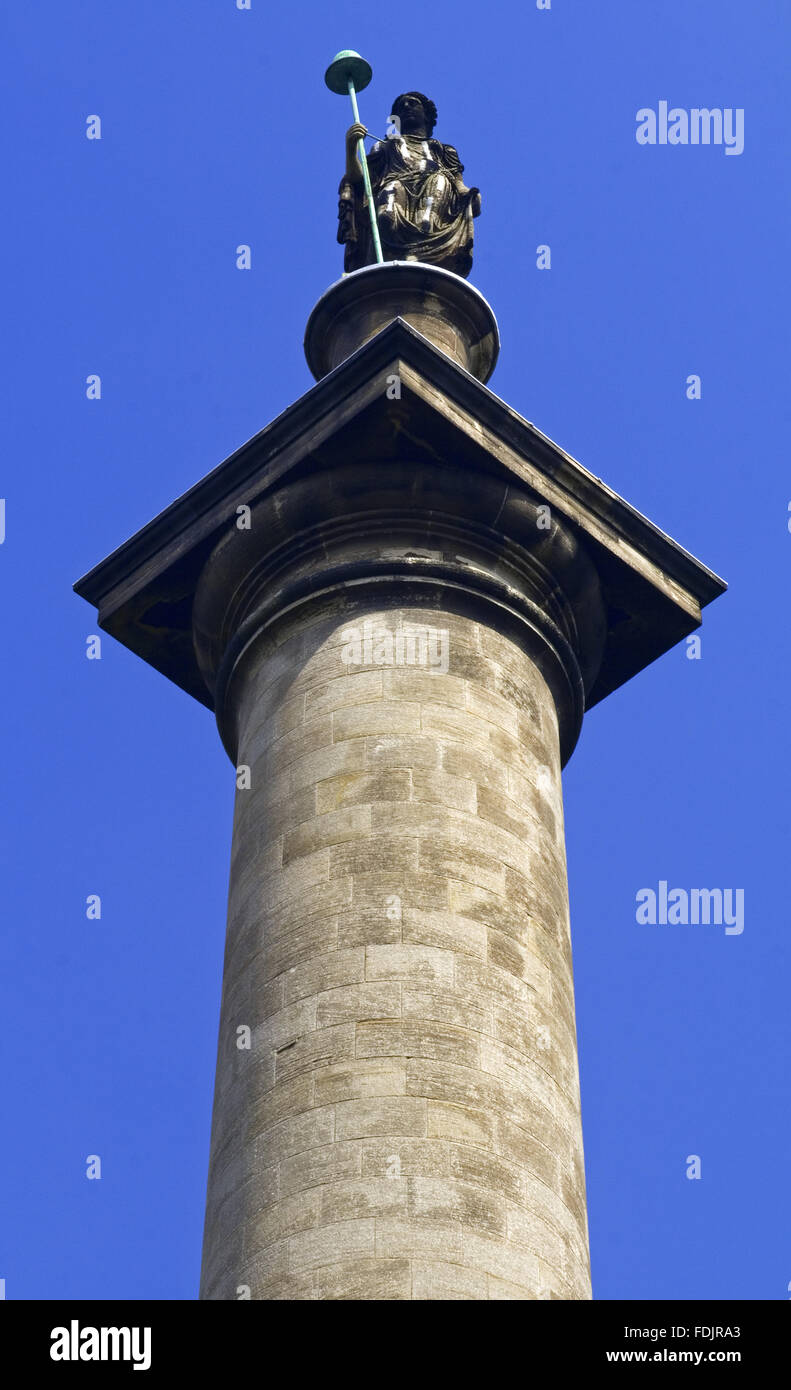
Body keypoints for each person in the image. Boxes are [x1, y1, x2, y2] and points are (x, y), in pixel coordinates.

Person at [337, 91, 481, 278]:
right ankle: (390, 258)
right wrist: (351, 147)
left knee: (437, 184)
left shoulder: (443, 150)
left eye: (413, 103)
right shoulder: (384, 146)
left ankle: (419, 255)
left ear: (427, 116)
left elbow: (457, 182)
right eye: (401, 107)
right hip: (396, 185)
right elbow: (359, 180)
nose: (406, 107)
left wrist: (468, 195)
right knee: (388, 209)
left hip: (434, 188)